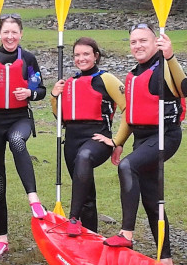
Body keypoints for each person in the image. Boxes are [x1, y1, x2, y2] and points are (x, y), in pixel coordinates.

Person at [107, 23, 187, 265]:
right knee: (152, 198)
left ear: (156, 42)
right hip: (142, 139)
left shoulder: (163, 69)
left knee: (127, 167)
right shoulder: (133, 75)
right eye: (133, 42)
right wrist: (118, 142)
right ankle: (166, 258)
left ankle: (126, 234)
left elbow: (185, 89)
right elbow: (131, 114)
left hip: (166, 135)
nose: (138, 46)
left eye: (143, 40)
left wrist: (171, 56)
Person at [0, 13, 46, 257]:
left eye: (14, 32)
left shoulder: (28, 58)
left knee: (17, 141)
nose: (10, 36)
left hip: (19, 118)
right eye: (6, 32)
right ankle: (2, 238)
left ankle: (34, 199)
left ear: (21, 34)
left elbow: (41, 89)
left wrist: (30, 93)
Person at [49, 37, 128, 237]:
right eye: (77, 55)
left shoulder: (106, 79)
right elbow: (60, 117)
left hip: (97, 139)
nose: (81, 58)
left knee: (84, 157)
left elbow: (129, 107)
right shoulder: (69, 82)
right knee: (86, 196)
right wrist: (53, 96)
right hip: (72, 141)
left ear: (96, 56)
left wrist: (118, 141)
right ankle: (91, 236)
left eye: (86, 54)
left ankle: (73, 218)